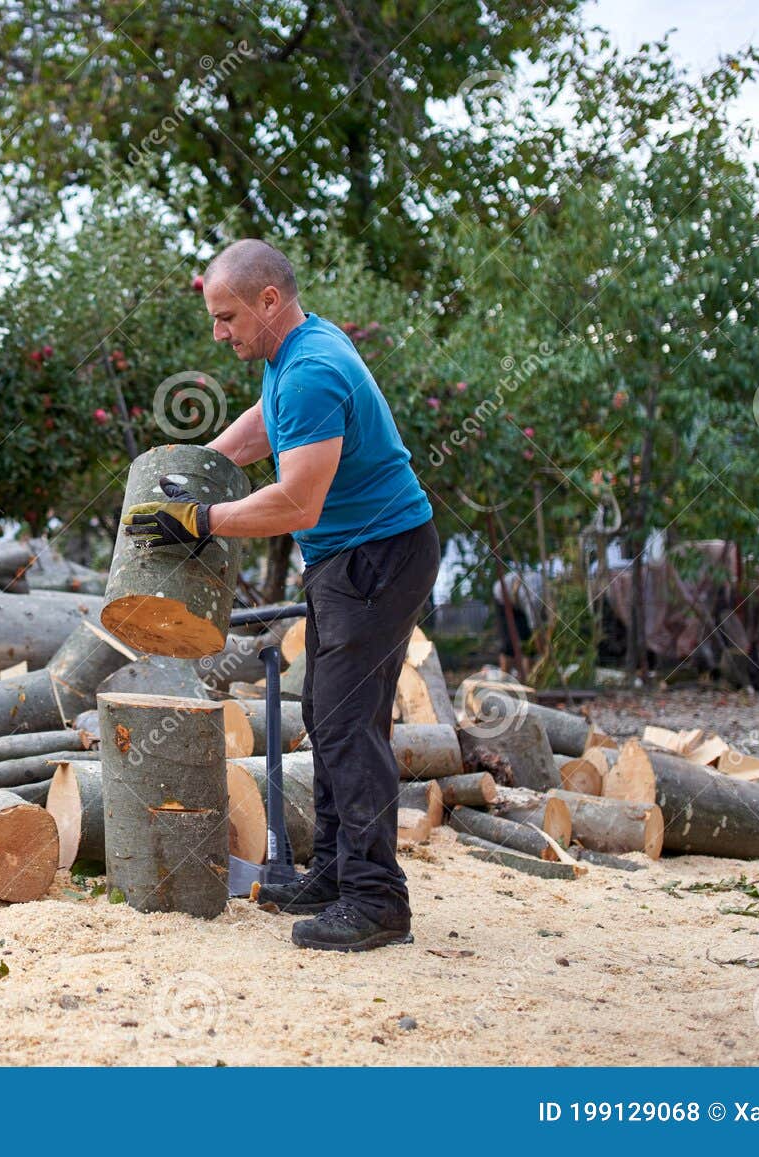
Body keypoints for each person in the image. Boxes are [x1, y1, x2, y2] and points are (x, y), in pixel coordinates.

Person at [123, 239, 440, 952]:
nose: (218, 333)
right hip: (352, 556)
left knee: (344, 723)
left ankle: (376, 898)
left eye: (227, 316)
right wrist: (199, 469)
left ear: (269, 300)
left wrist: (198, 520)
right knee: (327, 712)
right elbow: (266, 427)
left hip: (377, 557)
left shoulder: (312, 371)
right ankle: (332, 873)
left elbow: (298, 501)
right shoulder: (289, 357)